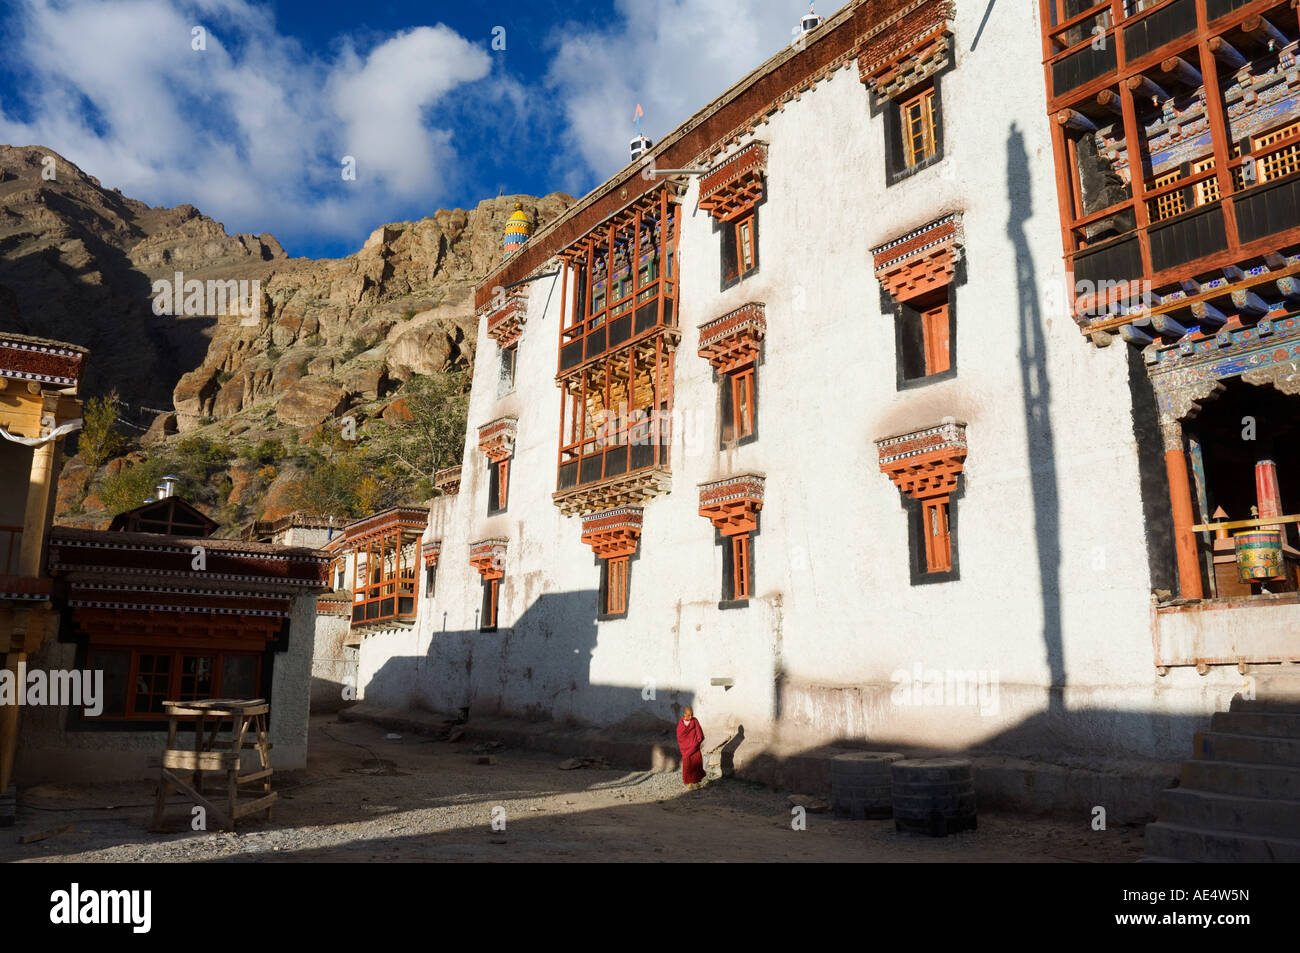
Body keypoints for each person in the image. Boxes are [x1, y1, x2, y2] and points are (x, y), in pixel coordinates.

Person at [677, 706, 705, 788]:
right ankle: (688, 782)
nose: (691, 717)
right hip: (686, 749)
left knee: (697, 763)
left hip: (695, 746)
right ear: (684, 714)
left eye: (692, 715)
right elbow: (680, 736)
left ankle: (696, 780)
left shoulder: (695, 721)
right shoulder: (681, 724)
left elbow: (699, 731)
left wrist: (698, 741)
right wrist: (687, 745)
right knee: (688, 765)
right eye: (688, 715)